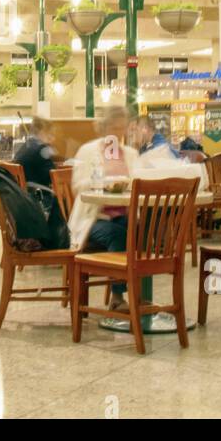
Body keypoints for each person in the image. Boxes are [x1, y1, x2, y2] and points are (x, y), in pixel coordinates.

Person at [66, 107, 139, 310]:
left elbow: (139, 182)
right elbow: (78, 186)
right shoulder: (87, 152)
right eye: (114, 128)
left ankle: (137, 293)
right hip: (94, 219)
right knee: (119, 235)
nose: (118, 133)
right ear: (104, 128)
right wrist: (103, 183)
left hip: (125, 215)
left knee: (139, 231)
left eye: (122, 128)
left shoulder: (131, 155)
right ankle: (118, 297)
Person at [14, 116, 59, 188]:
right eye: (51, 134)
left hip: (23, 194)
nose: (53, 138)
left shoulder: (26, 146)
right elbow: (53, 177)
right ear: (42, 132)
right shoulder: (42, 149)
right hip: (39, 195)